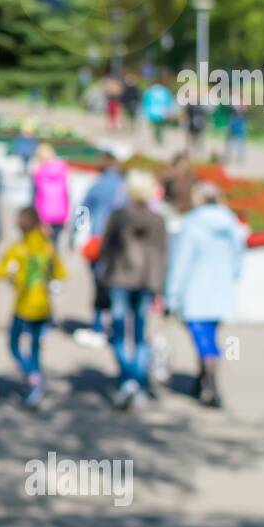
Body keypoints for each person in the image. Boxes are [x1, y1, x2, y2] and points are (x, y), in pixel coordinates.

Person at [165, 181, 245, 407]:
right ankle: (203, 378)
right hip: (220, 290)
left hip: (195, 291)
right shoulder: (230, 224)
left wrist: (172, 294)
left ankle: (210, 383)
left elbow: (180, 262)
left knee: (202, 338)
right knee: (208, 336)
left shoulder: (191, 225)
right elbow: (238, 259)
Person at [99, 169, 168, 410]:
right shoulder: (157, 219)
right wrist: (160, 286)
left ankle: (128, 379)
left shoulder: (119, 216)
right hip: (146, 281)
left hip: (120, 278)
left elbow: (106, 249)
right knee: (139, 335)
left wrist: (102, 276)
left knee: (119, 333)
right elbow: (162, 256)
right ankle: (135, 381)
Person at [0, 206, 67, 408]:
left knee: (14, 343)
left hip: (24, 305)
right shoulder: (47, 247)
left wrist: (13, 276)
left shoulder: (18, 249)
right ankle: (36, 381)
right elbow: (60, 273)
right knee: (35, 346)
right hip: (43, 306)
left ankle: (32, 375)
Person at [73, 152, 127, 348]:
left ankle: (97, 325)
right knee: (116, 286)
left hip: (98, 240)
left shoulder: (97, 185)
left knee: (98, 283)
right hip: (120, 243)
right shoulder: (125, 188)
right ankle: (115, 328)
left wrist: (75, 232)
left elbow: (83, 209)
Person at [30, 142, 70, 247]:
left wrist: (37, 219)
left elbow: (35, 198)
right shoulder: (62, 171)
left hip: (44, 217)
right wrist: (66, 216)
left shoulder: (38, 173)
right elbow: (66, 195)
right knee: (55, 246)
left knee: (42, 248)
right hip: (60, 215)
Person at [142, 77, 174, 146]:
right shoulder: (165, 91)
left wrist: (146, 111)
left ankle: (156, 138)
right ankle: (159, 138)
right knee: (160, 126)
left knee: (155, 126)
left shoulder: (149, 91)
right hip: (162, 112)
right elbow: (169, 102)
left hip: (152, 112)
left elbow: (146, 102)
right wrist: (169, 111)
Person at [224, 94, 249, 164]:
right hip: (236, 124)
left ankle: (238, 157)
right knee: (234, 141)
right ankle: (230, 157)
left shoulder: (240, 106)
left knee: (238, 141)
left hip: (238, 124)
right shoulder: (235, 106)